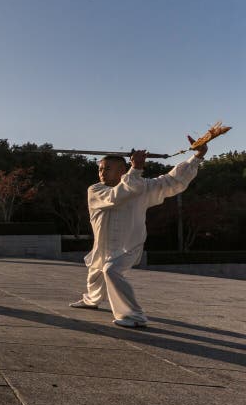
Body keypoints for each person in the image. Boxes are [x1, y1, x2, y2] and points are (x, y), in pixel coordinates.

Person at [69, 138, 207, 327]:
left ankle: (134, 316)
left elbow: (172, 180)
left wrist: (197, 156)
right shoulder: (95, 190)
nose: (102, 172)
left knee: (111, 270)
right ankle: (91, 300)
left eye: (107, 168)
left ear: (121, 171)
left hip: (129, 246)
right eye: (100, 168)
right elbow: (116, 197)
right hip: (103, 245)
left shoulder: (142, 186)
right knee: (96, 272)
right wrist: (136, 170)